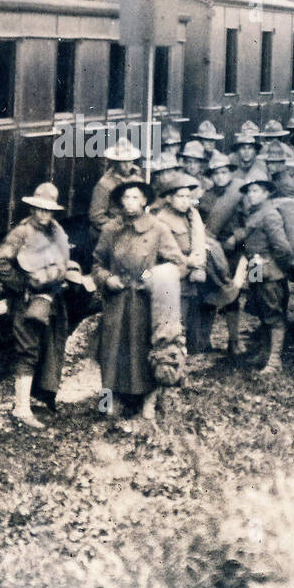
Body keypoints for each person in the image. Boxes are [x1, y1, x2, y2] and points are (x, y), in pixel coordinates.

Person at [0, 183, 83, 429]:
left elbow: (63, 257)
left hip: (50, 299)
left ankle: (40, 399)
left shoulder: (56, 230)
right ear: (32, 208)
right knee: (27, 351)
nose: (43, 214)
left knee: (50, 346)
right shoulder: (21, 232)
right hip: (26, 301)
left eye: (48, 210)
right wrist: (21, 285)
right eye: (39, 209)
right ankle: (21, 409)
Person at [92, 180, 185, 420]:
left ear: (144, 201)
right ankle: (106, 404)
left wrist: (151, 277)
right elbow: (97, 264)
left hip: (144, 302)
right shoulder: (111, 229)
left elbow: (177, 263)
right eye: (126, 198)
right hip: (116, 301)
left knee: (143, 352)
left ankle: (148, 403)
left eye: (135, 198)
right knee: (110, 353)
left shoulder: (157, 229)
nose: (130, 203)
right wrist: (107, 278)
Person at [223, 176, 294, 375]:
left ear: (266, 193)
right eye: (249, 191)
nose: (251, 195)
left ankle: (274, 359)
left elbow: (282, 247)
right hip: (255, 267)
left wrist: (273, 266)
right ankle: (265, 352)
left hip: (268, 270)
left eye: (256, 191)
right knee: (261, 311)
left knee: (273, 314)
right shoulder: (254, 213)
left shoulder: (270, 214)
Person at [151, 170, 211, 356]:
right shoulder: (161, 220)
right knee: (174, 318)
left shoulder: (191, 215)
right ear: (169, 198)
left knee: (191, 313)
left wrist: (198, 261)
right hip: (173, 274)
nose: (185, 201)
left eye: (188, 196)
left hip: (190, 274)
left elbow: (199, 239)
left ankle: (189, 349)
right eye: (180, 196)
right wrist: (188, 262)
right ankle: (172, 356)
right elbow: (164, 251)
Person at [89, 138, 143, 244]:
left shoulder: (137, 179)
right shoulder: (105, 184)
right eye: (123, 162)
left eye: (130, 161)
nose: (128, 165)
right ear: (115, 163)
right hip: (113, 234)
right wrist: (120, 229)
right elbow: (96, 216)